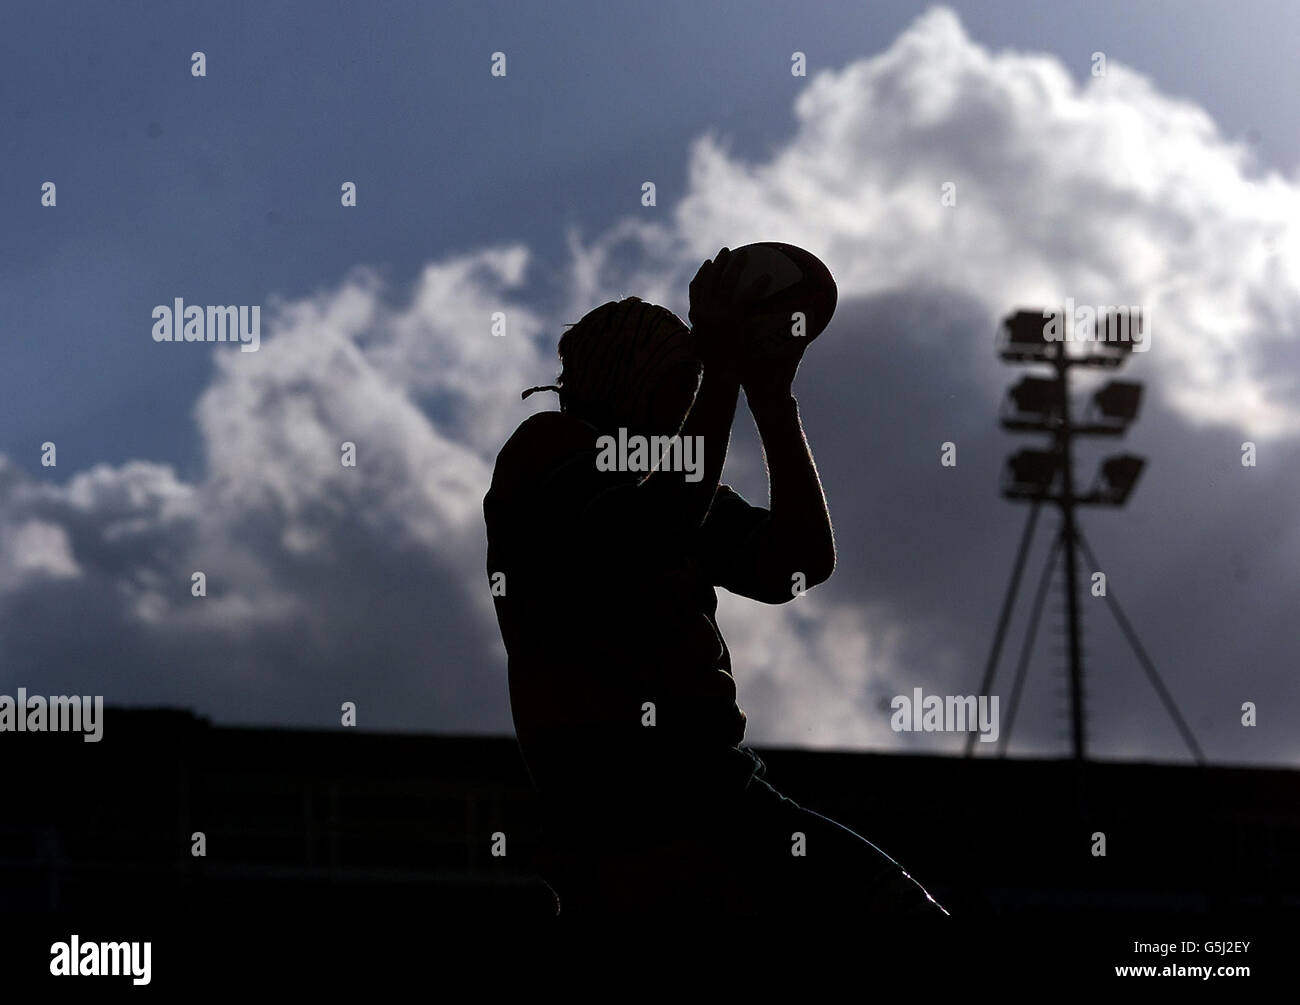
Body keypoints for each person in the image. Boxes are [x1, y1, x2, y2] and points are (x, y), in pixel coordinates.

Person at [484, 247, 947, 921]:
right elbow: (657, 524)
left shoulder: (678, 487)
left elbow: (801, 560)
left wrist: (771, 396)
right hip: (642, 825)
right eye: (682, 383)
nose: (690, 404)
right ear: (629, 377)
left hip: (721, 802)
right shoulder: (547, 452)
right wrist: (728, 366)